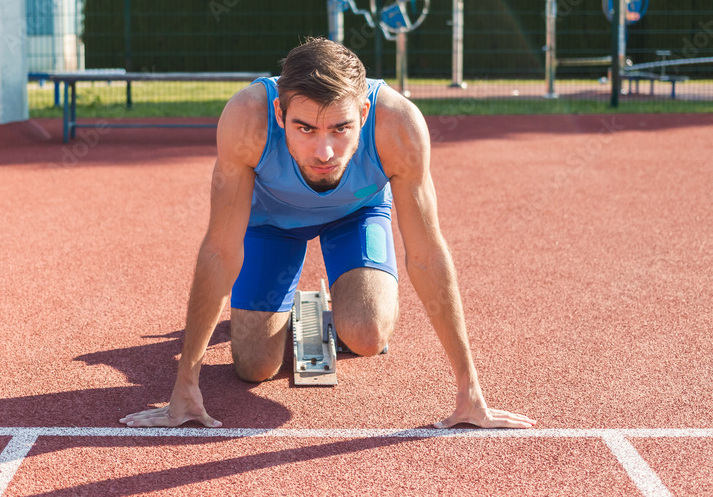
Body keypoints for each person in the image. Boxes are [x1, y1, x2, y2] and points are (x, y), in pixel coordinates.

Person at [120, 38, 535, 430]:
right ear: (280, 114)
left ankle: (332, 308)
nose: (325, 153)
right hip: (271, 225)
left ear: (365, 114)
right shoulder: (247, 119)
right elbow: (220, 251)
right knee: (253, 366)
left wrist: (469, 390)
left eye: (340, 129)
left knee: (367, 335)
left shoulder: (399, 125)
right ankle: (279, 312)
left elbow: (427, 253)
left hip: (356, 215)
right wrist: (185, 386)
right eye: (305, 129)